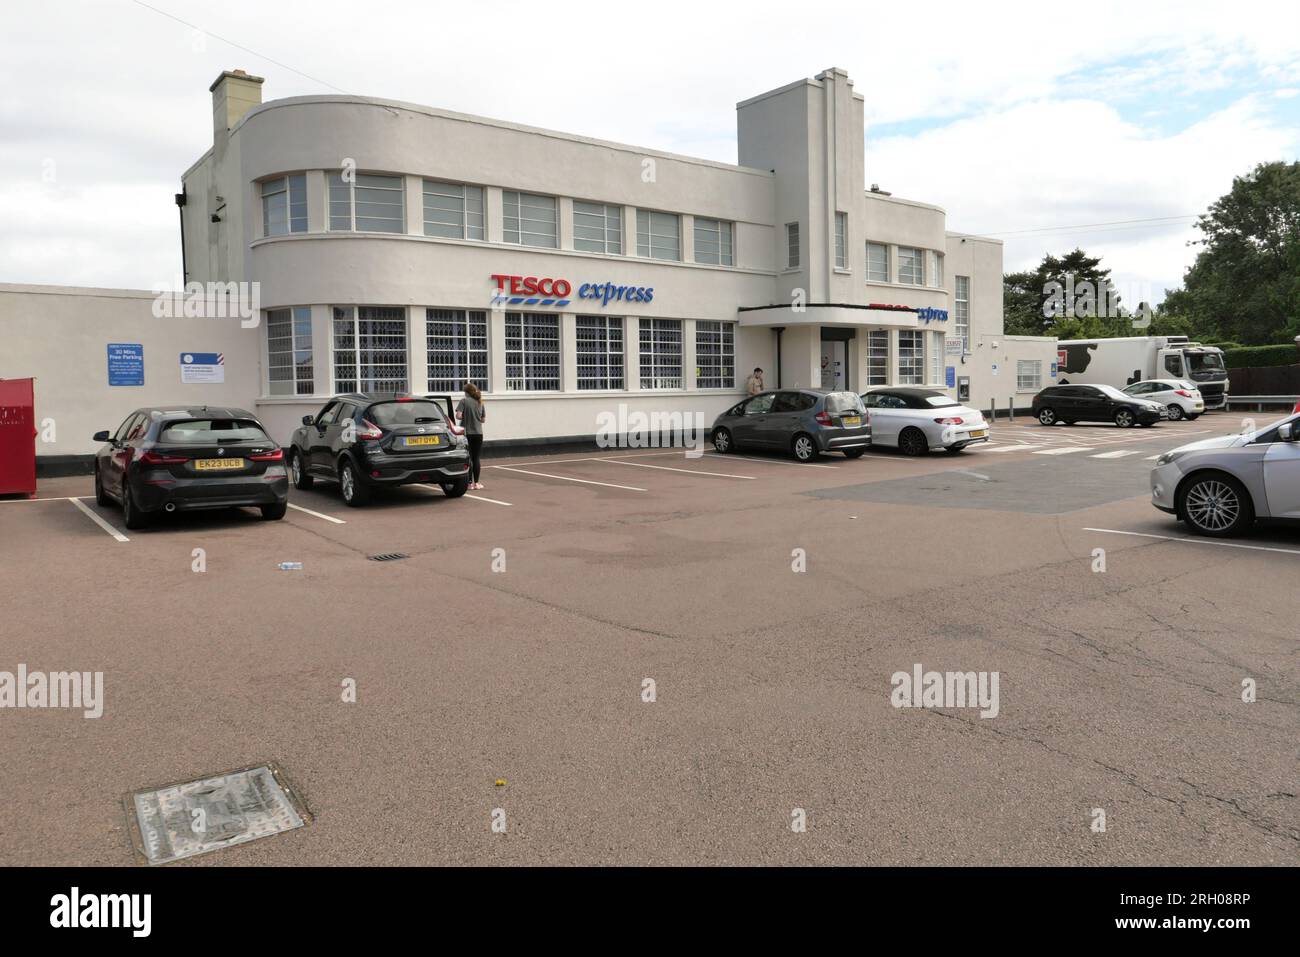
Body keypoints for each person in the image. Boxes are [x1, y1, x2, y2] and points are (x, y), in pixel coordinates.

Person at [456, 382, 486, 490]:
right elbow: (483, 419)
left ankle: (469, 483)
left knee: (468, 458)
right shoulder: (480, 402)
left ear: (467, 392)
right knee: (476, 458)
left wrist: (466, 415)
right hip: (478, 433)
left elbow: (458, 416)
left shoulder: (463, 401)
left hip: (466, 434)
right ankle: (477, 483)